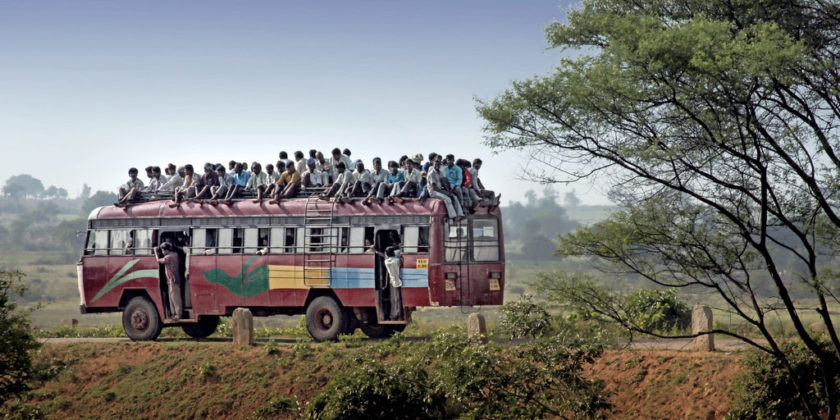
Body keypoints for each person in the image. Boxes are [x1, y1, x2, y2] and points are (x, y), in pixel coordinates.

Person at [368, 232, 403, 320]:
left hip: (393, 281)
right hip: (398, 281)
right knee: (397, 299)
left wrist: (375, 251)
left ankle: (394, 315)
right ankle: (397, 314)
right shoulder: (396, 259)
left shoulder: (388, 261)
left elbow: (384, 256)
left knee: (394, 299)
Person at [426, 156, 464, 221]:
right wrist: (445, 193)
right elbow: (434, 188)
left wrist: (448, 191)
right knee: (447, 199)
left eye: (438, 164)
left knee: (454, 196)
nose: (437, 166)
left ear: (440, 165)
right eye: (435, 164)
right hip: (434, 192)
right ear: (433, 165)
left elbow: (443, 182)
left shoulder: (440, 173)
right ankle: (453, 216)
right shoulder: (431, 174)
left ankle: (460, 214)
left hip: (440, 190)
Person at [154, 242, 182, 321]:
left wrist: (155, 252)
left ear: (166, 250)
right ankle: (174, 314)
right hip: (172, 280)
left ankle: (178, 315)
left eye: (163, 250)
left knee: (175, 298)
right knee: (172, 297)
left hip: (173, 280)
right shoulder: (175, 254)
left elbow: (158, 260)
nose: (162, 252)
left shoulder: (169, 257)